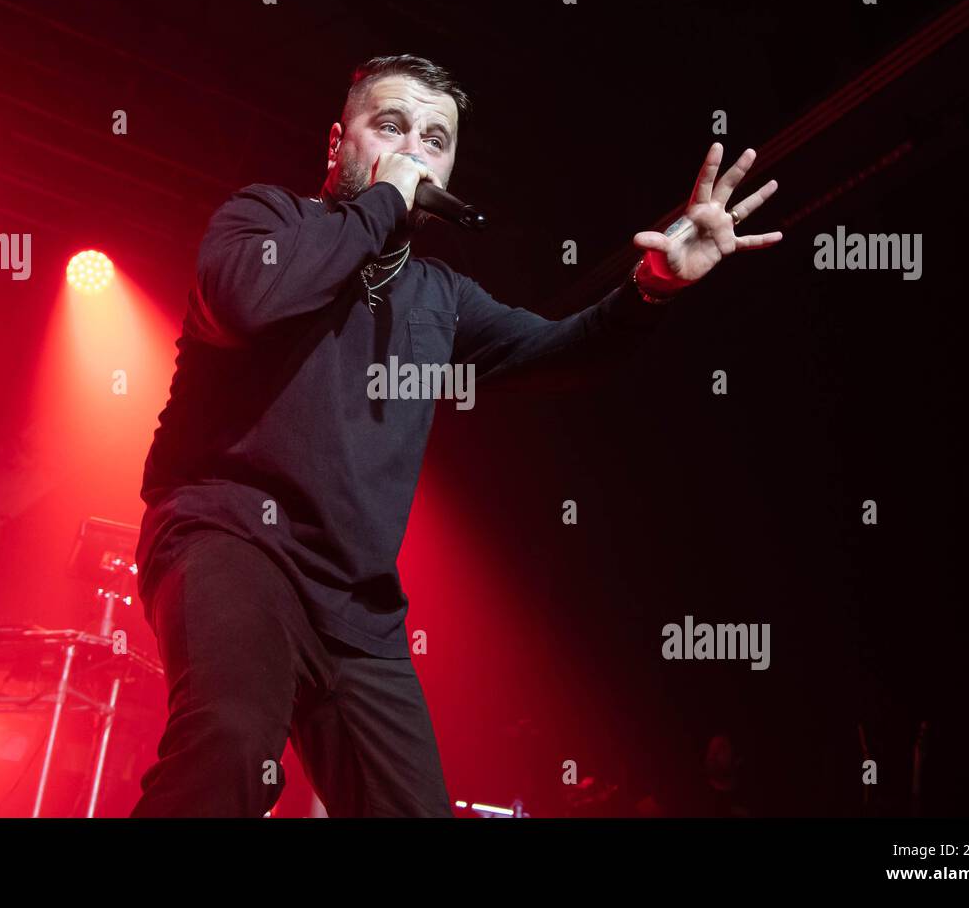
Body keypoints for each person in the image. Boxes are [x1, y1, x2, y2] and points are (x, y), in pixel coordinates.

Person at [129, 54, 782, 817]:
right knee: (233, 741)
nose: (413, 151)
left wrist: (653, 286)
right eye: (391, 127)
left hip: (356, 602)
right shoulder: (266, 220)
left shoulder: (441, 298)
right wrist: (377, 208)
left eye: (435, 140)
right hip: (230, 539)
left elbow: (559, 350)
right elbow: (249, 303)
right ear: (338, 143)